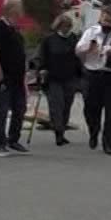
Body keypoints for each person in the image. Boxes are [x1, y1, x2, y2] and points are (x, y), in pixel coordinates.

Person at [77, 6, 111, 152]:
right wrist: (88, 48)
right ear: (100, 18)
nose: (107, 23)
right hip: (93, 75)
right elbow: (78, 50)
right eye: (105, 19)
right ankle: (94, 131)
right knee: (91, 109)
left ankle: (110, 143)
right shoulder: (91, 32)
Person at [0, 0, 31, 157]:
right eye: (20, 7)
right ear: (12, 9)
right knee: (2, 110)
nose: (22, 10)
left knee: (20, 108)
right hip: (4, 76)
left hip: (18, 77)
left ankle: (14, 139)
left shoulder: (15, 29)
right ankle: (0, 142)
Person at [36, 13, 83, 147]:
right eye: (64, 26)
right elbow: (42, 56)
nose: (66, 29)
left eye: (68, 26)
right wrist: (42, 69)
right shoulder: (49, 40)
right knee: (57, 105)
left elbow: (78, 57)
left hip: (70, 77)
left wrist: (80, 74)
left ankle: (62, 128)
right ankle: (58, 132)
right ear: (58, 26)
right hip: (53, 78)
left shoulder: (73, 39)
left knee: (67, 104)